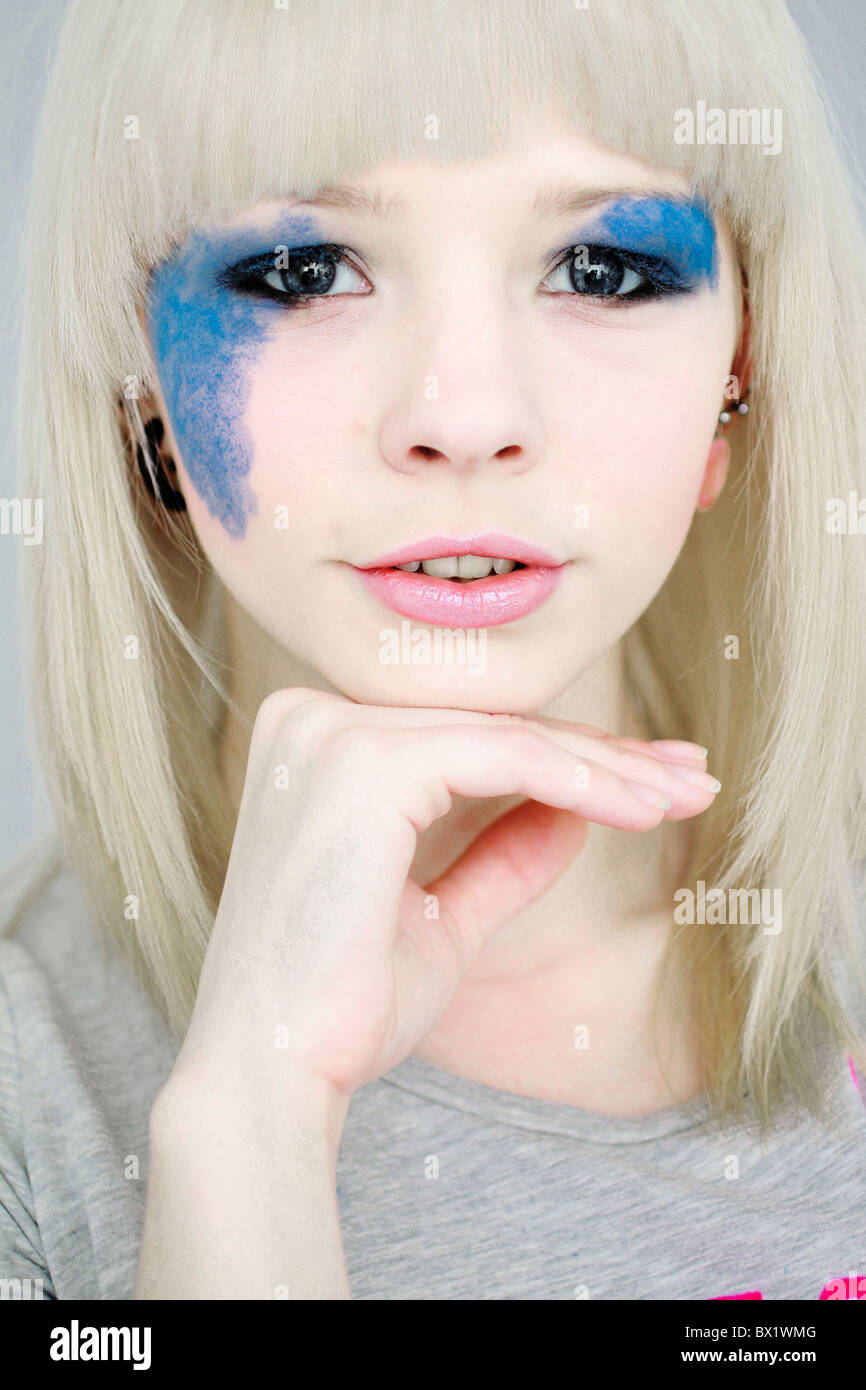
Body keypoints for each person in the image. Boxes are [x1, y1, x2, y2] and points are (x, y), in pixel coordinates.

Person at [1, 0, 865, 1302]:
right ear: (143, 384)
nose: (464, 417)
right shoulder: (29, 1099)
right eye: (304, 269)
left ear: (734, 369)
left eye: (601, 268)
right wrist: (245, 1136)